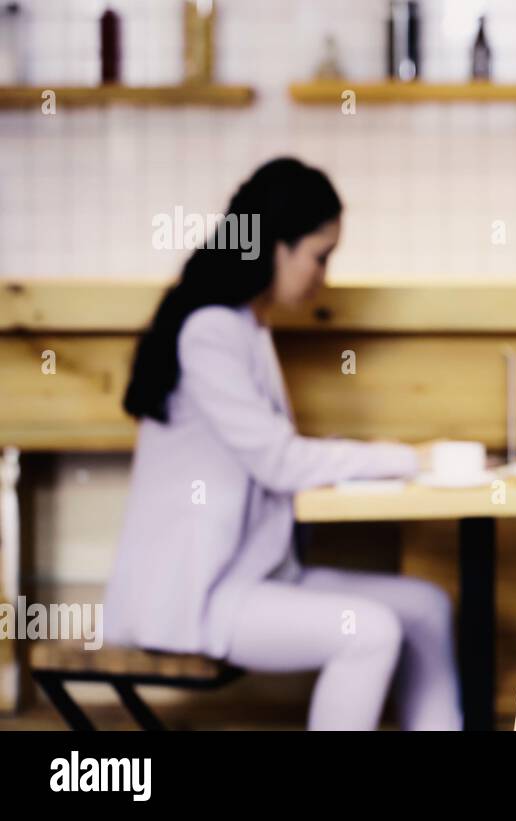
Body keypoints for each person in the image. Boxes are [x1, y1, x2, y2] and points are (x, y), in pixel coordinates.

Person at [104, 157, 461, 730]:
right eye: (321, 256)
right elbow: (279, 460)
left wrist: (369, 455)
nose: (326, 275)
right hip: (208, 595)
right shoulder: (211, 331)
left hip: (262, 577)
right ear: (275, 245)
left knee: (427, 607)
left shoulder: (247, 327)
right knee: (370, 635)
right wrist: (403, 456)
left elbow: (273, 452)